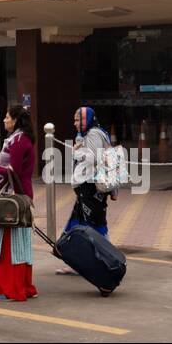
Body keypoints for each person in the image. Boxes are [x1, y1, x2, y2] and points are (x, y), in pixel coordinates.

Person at [0, 105, 39, 301]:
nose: (4, 120)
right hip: (22, 195)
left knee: (10, 246)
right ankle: (23, 286)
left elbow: (12, 170)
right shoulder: (23, 138)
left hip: (13, 198)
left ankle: (12, 289)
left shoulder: (17, 140)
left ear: (15, 120)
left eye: (7, 117)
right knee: (21, 245)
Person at [59, 105, 112, 274]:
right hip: (87, 189)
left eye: (77, 119)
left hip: (92, 189)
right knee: (83, 223)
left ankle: (105, 261)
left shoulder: (94, 134)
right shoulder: (90, 133)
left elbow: (93, 159)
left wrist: (76, 152)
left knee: (94, 225)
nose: (74, 123)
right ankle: (80, 262)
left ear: (87, 119)